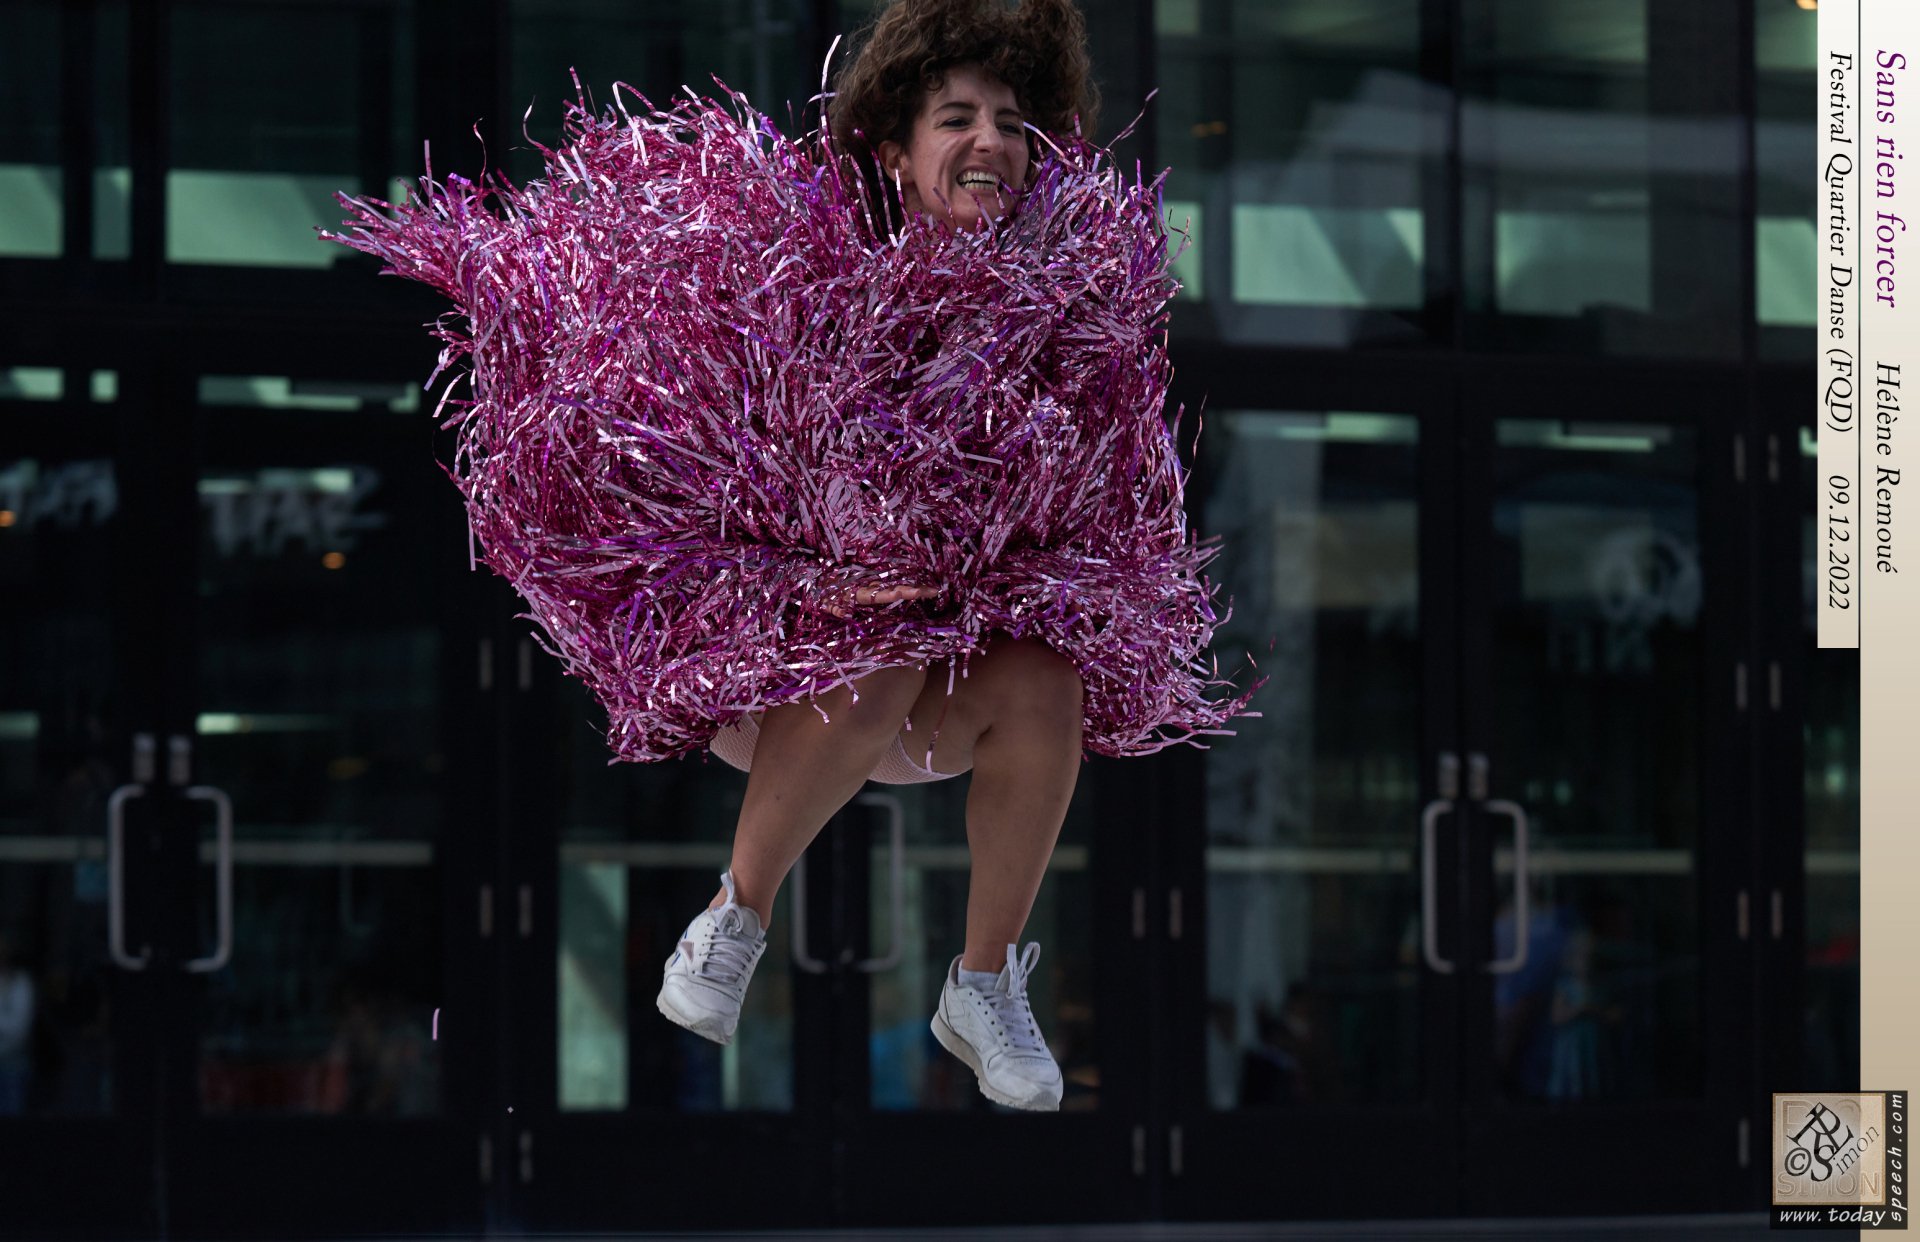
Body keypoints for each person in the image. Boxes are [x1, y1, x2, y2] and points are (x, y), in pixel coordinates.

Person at [655, 0, 1101, 1112]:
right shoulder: (812, 282)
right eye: (956, 117)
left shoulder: (1061, 315)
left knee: (1048, 684)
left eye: (1009, 119)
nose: (989, 140)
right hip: (776, 660)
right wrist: (816, 583)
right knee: (888, 631)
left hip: (923, 676)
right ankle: (734, 916)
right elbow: (704, 484)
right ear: (897, 154)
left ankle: (984, 987)